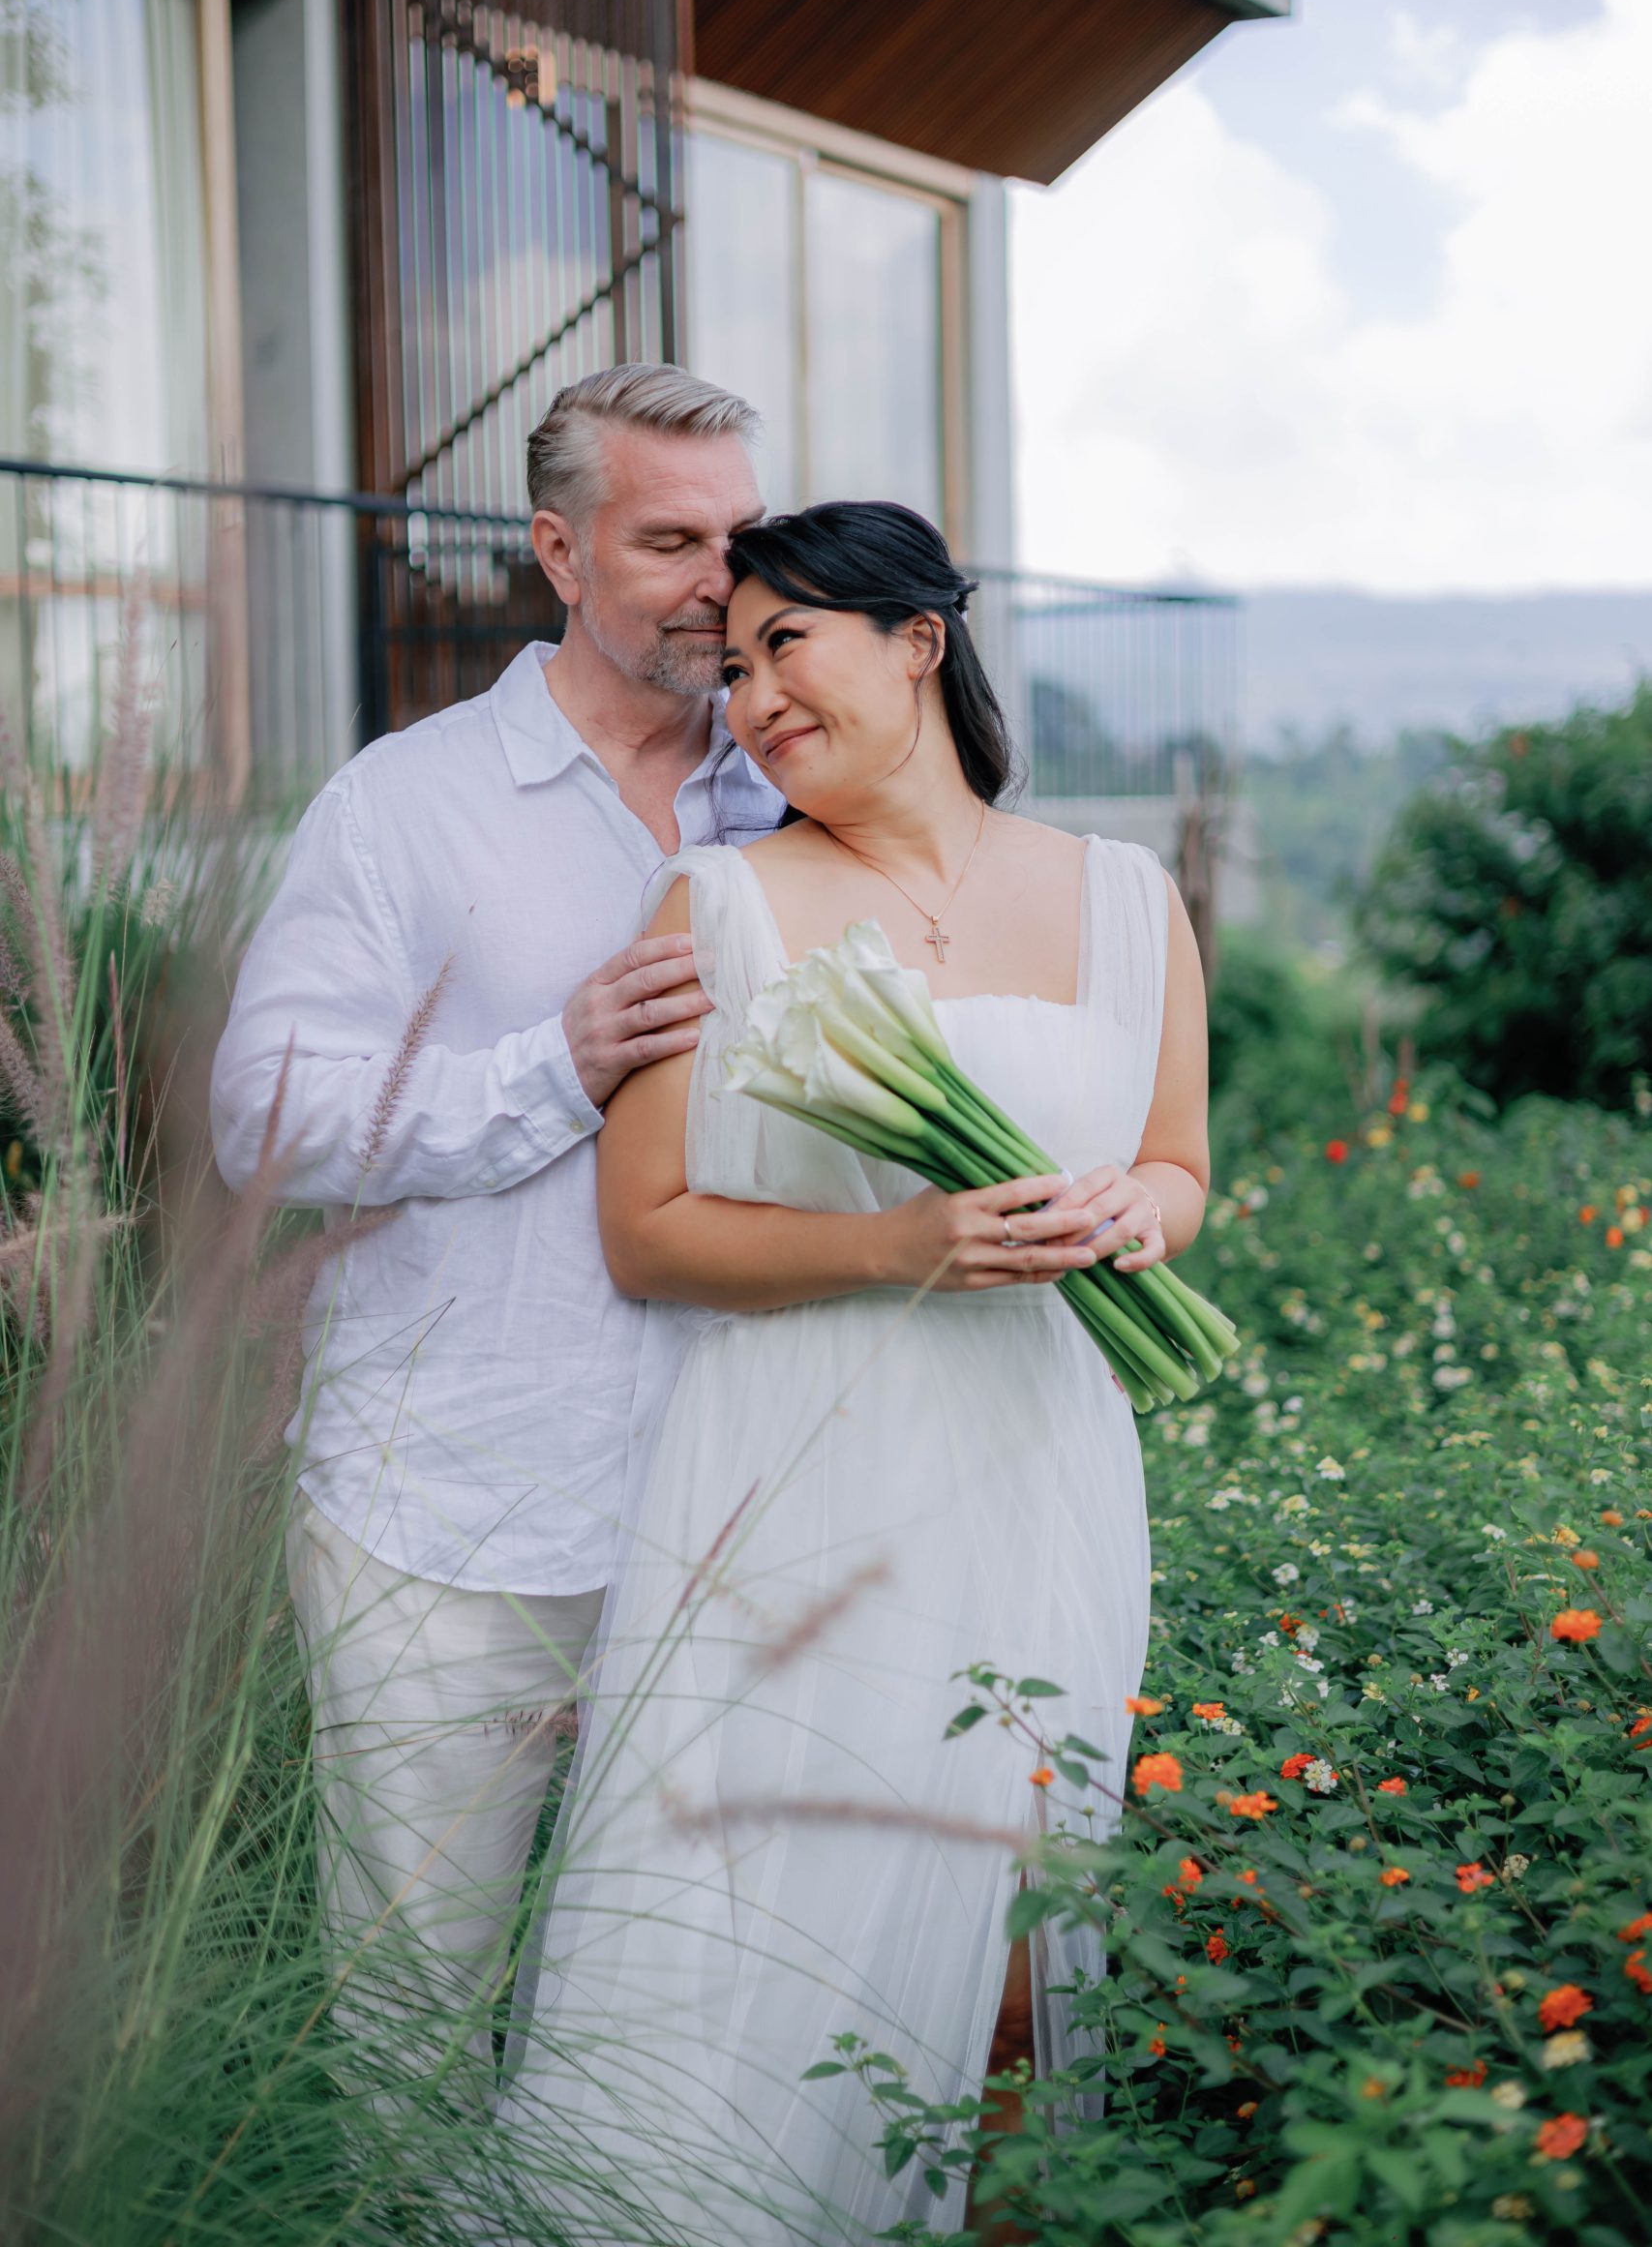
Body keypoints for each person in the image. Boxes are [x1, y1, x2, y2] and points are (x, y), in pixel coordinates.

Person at [505, 501, 1210, 2239]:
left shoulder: (1127, 899)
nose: (749, 698)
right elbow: (649, 1230)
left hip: (1039, 1464)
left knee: (1019, 1960)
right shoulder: (718, 902)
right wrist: (908, 1247)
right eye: (727, 670)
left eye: (783, 647)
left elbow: (1185, 1164)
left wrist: (1139, 1211)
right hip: (794, 1482)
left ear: (918, 641)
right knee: (761, 1928)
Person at [209, 363, 781, 2112]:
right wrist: (562, 1062)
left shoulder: (793, 792)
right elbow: (268, 1113)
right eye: (670, 540)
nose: (720, 582)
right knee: (412, 2034)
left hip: (734, 1509)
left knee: (675, 2051)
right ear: (557, 550)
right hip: (441, 1512)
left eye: (742, 540)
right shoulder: (403, 805)